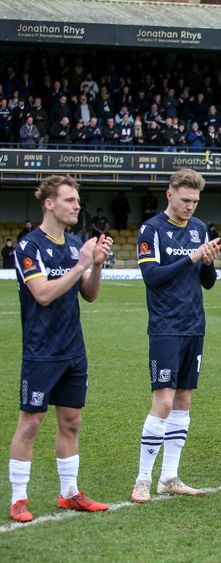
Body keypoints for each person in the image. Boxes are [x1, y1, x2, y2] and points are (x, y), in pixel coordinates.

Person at [8, 175, 114, 523]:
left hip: (73, 349)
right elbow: (42, 294)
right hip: (41, 351)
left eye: (77, 200)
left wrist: (95, 264)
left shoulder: (74, 245)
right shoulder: (28, 246)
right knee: (31, 422)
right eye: (69, 200)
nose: (77, 205)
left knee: (71, 421)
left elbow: (91, 294)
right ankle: (18, 498)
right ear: (49, 204)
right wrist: (82, 263)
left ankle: (70, 493)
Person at [130, 169, 221, 503]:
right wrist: (192, 258)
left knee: (183, 400)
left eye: (195, 201)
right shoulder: (151, 229)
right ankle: (142, 480)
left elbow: (207, 281)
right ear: (169, 195)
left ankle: (169, 476)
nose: (190, 207)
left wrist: (208, 262)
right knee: (164, 401)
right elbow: (152, 276)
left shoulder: (199, 229)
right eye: (185, 200)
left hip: (194, 325)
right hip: (166, 326)